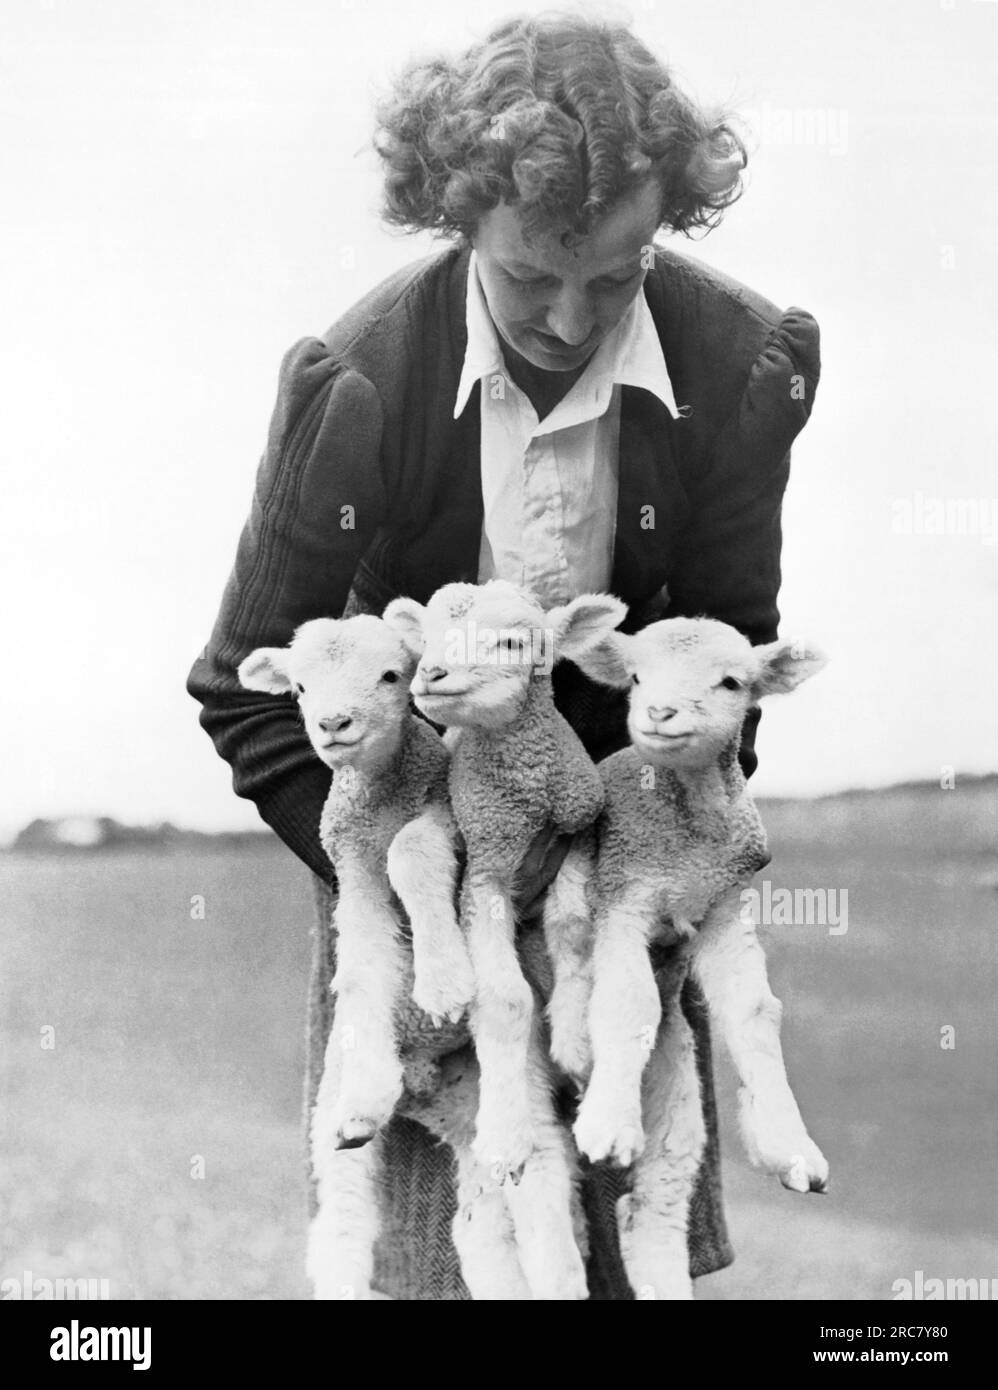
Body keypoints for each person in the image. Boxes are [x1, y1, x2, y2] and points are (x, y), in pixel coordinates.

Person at [187, 11, 821, 1299]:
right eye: (533, 276)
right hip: (422, 878)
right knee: (438, 1261)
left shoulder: (742, 365)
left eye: (619, 272)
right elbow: (240, 686)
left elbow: (722, 648)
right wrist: (417, 871)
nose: (572, 315)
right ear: (457, 217)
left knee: (628, 1233)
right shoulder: (357, 378)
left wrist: (637, 855)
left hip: (615, 854)